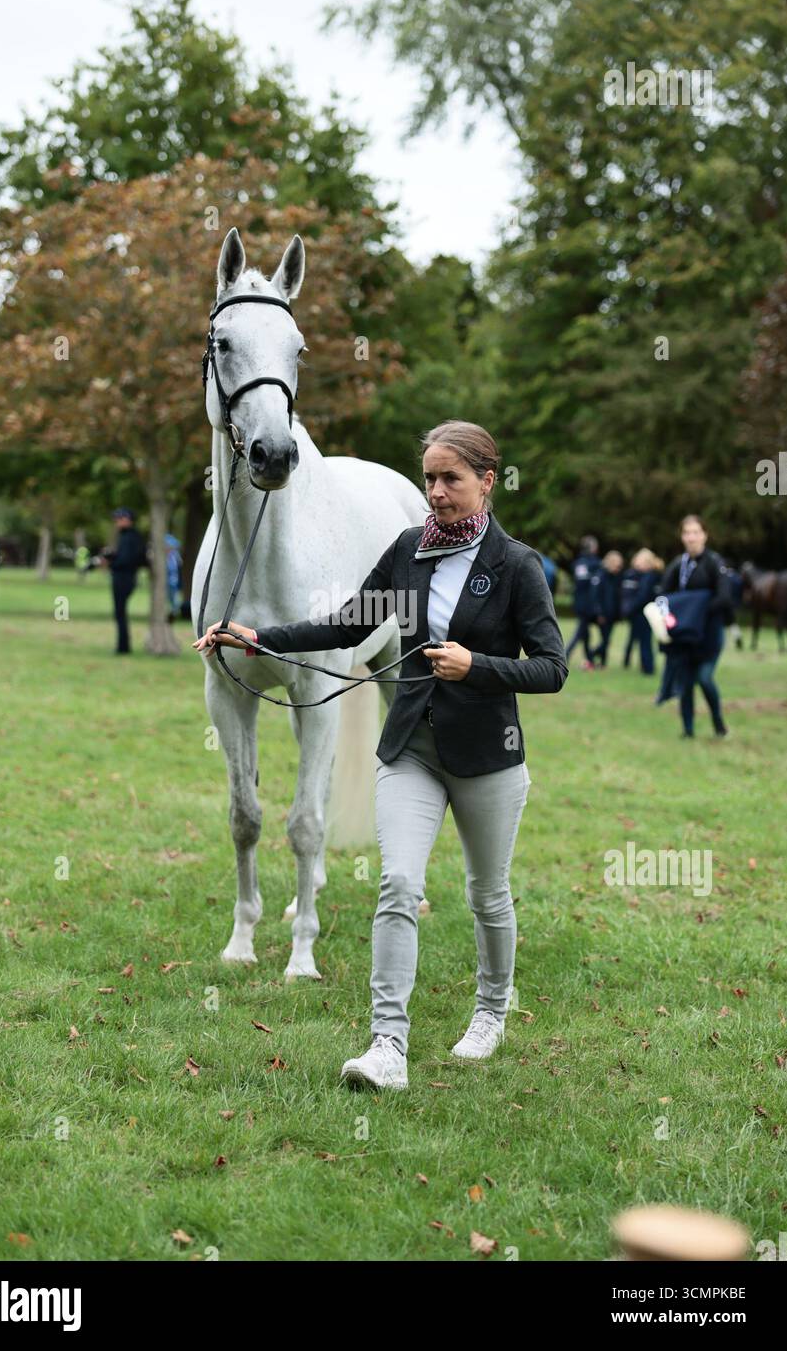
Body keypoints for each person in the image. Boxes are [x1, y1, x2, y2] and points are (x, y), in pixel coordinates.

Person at [194, 419, 568, 1092]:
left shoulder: (516, 567)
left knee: (488, 893)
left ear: (487, 481)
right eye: (429, 479)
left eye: (451, 479)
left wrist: (476, 665)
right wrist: (256, 639)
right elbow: (344, 625)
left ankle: (489, 1015)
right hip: (412, 750)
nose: (436, 492)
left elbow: (551, 668)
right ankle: (386, 1046)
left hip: (487, 758)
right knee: (398, 885)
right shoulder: (407, 552)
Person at [658, 515, 732, 738]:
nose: (691, 537)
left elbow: (725, 597)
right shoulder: (678, 565)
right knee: (686, 683)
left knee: (705, 678)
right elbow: (662, 596)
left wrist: (695, 610)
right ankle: (688, 730)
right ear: (682, 537)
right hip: (686, 637)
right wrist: (668, 617)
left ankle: (718, 722)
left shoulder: (714, 563)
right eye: (687, 533)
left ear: (705, 535)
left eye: (696, 532)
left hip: (709, 635)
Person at [105, 508, 148, 654]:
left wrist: (110, 563)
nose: (117, 522)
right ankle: (122, 645)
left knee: (120, 613)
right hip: (124, 577)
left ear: (127, 519)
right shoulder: (127, 536)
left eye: (119, 519)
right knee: (119, 613)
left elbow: (127, 559)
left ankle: (123, 647)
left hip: (124, 578)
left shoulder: (131, 537)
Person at [621, 548, 660, 674]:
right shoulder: (639, 575)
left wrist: (631, 608)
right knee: (638, 639)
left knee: (645, 641)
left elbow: (643, 596)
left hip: (644, 613)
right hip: (639, 612)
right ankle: (641, 665)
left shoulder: (649, 576)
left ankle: (648, 667)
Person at [564, 535, 602, 669]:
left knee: (585, 633)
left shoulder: (578, 563)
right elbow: (594, 587)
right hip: (589, 604)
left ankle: (589, 659)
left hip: (579, 603)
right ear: (593, 548)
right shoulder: (596, 564)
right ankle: (565, 655)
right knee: (581, 632)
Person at [589, 550, 624, 667]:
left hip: (612, 614)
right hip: (603, 613)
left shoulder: (616, 577)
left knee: (607, 640)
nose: (618, 567)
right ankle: (592, 655)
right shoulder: (601, 575)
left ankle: (602, 663)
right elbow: (595, 596)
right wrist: (599, 613)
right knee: (605, 640)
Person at [165, 534, 184, 620]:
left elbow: (178, 569)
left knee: (175, 601)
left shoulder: (175, 556)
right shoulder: (164, 557)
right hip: (166, 583)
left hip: (174, 583)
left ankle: (172, 615)